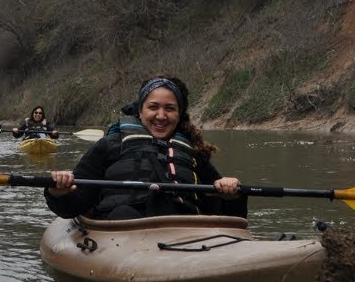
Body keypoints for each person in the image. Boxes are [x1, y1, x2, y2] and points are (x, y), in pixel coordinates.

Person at [46, 74, 242, 220]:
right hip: (120, 233)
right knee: (124, 213)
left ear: (179, 114)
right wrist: (57, 192)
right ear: (140, 111)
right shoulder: (109, 146)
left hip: (184, 233)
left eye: (170, 109)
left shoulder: (192, 153)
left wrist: (231, 194)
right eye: (153, 107)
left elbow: (228, 217)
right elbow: (72, 208)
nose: (161, 116)